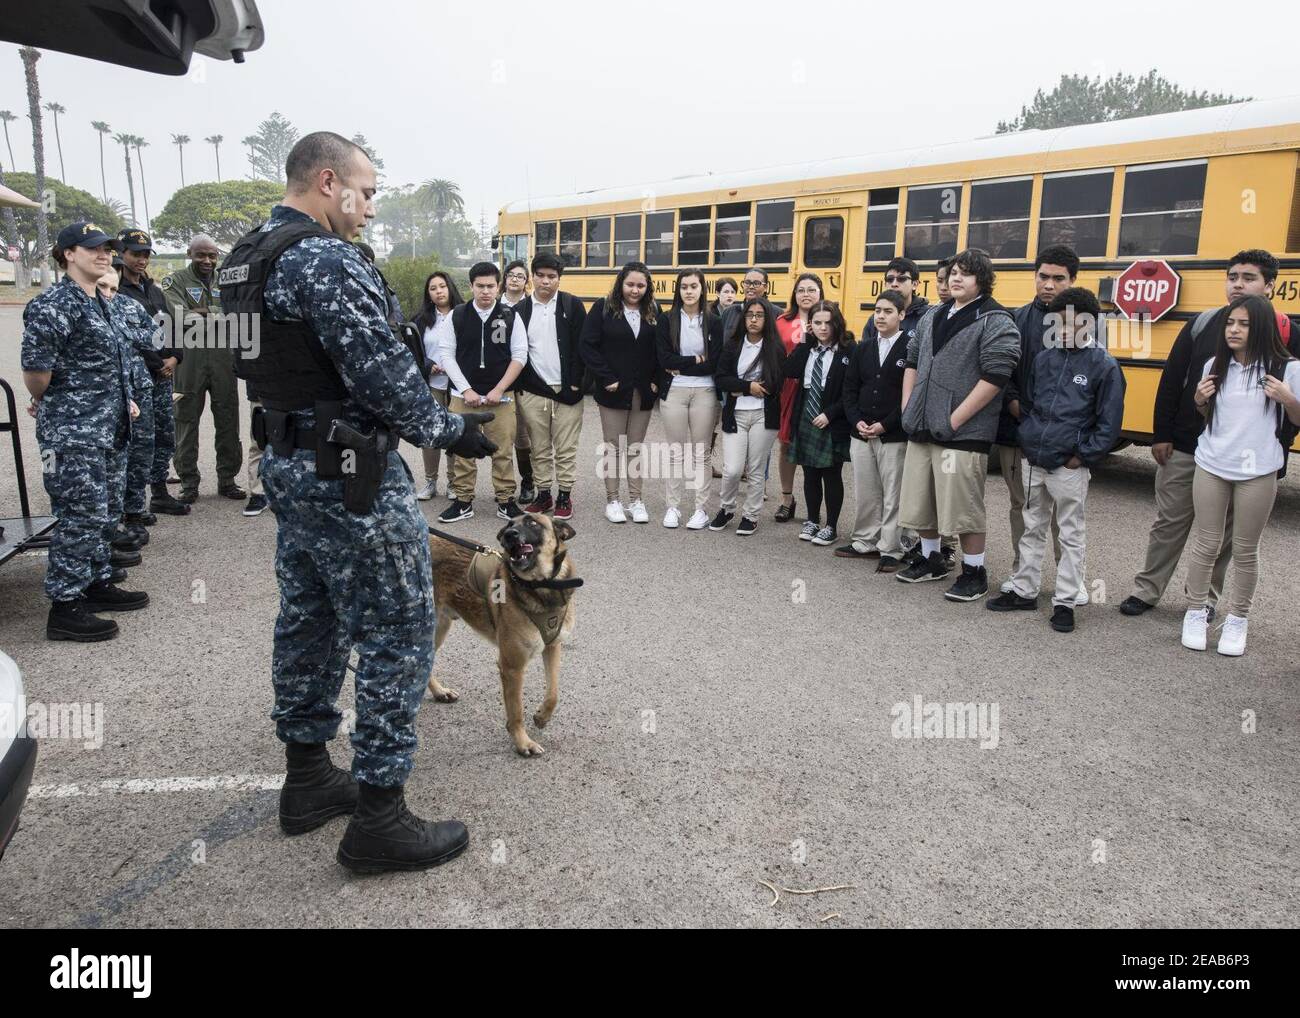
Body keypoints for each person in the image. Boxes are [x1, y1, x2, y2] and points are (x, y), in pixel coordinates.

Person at [219, 131, 496, 873]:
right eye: (368, 192)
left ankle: (308, 779)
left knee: (309, 616)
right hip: (347, 473)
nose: (371, 208)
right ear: (329, 180)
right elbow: (378, 372)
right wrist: (449, 431)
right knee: (399, 628)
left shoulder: (247, 256)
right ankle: (380, 817)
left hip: (287, 461)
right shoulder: (321, 258)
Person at [1121, 249, 1300, 617]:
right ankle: (1147, 590)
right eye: (1232, 276)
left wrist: (1279, 449)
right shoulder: (1203, 323)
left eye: (1248, 278)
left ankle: (1203, 601)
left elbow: (1291, 400)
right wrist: (1161, 434)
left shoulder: (1289, 334)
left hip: (1249, 458)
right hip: (1189, 445)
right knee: (1170, 521)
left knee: (1225, 536)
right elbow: (1172, 378)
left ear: (1270, 286)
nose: (1237, 284)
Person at [21, 222, 147, 642]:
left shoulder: (102, 303)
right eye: (92, 247)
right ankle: (65, 605)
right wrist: (49, 398)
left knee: (106, 511)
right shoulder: (53, 304)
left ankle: (94, 584)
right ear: (67, 254)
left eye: (107, 248)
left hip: (109, 428)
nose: (104, 254)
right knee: (80, 513)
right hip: (73, 432)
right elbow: (37, 374)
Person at [987, 287, 1125, 632]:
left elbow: (1109, 424)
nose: (1063, 329)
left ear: (1089, 323)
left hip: (1068, 465)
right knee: (1031, 526)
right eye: (1058, 322)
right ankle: (1024, 589)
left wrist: (1081, 457)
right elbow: (1032, 405)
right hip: (1034, 458)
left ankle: (1065, 602)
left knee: (1070, 533)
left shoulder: (1104, 366)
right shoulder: (1044, 359)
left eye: (1071, 323)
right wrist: (1028, 439)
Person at [896, 248, 1021, 601]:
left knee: (963, 508)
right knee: (922, 500)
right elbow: (912, 361)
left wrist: (954, 419)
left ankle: (974, 571)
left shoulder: (996, 319)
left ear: (982, 280)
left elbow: (996, 377)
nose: (955, 278)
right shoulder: (932, 315)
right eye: (953, 272)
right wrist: (908, 407)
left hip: (963, 434)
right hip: (921, 425)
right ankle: (931, 558)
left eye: (965, 273)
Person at [1179, 295, 1300, 656]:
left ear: (1260, 327)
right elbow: (1209, 417)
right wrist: (1200, 401)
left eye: (1243, 324)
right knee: (1206, 543)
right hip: (1212, 464)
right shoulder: (1214, 365)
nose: (1233, 329)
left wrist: (1288, 399)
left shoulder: (1287, 368)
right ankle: (1195, 612)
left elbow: (1297, 419)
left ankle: (1237, 620)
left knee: (1246, 550)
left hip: (1258, 470)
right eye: (1230, 322)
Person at [993, 245, 1079, 595]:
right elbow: (1003, 372)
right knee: (1023, 506)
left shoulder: (1086, 324)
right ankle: (1021, 572)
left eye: (1059, 278)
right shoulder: (1016, 320)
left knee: (1065, 512)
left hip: (1066, 436)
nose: (1049, 284)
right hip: (1019, 432)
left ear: (1073, 280)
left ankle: (1069, 579)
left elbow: (1094, 383)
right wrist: (1016, 407)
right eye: (1043, 276)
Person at [437, 261, 529, 523]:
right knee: (463, 451)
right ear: (471, 286)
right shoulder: (456, 315)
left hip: (501, 398)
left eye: (490, 286)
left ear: (498, 286)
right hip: (463, 398)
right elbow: (447, 354)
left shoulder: (511, 316)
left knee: (502, 450)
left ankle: (505, 500)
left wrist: (499, 388)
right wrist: (465, 389)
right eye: (480, 286)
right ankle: (464, 501)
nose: (486, 291)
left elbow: (519, 356)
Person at [166, 233, 245, 504]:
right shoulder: (176, 281)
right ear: (189, 253)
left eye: (212, 255)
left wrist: (201, 311)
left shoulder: (228, 280)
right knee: (186, 421)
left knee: (228, 420)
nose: (207, 260)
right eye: (201, 255)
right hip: (189, 360)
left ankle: (227, 479)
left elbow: (239, 314)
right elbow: (178, 316)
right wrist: (216, 314)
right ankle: (188, 482)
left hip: (224, 360)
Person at [580, 261, 660, 524]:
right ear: (620, 284)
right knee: (612, 447)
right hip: (613, 389)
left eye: (640, 285)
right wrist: (606, 377)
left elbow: (660, 350)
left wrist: (656, 381)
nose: (635, 290)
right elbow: (588, 346)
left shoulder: (654, 311)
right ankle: (612, 500)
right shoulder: (603, 309)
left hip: (642, 391)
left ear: (647, 287)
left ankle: (636, 500)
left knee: (635, 447)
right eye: (630, 284)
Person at [116, 228, 188, 517]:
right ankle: (131, 503)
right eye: (135, 253)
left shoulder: (153, 290)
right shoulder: (114, 290)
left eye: (146, 254)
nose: (141, 259)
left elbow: (170, 325)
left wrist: (175, 357)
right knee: (139, 441)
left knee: (164, 435)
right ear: (121, 254)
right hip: (138, 377)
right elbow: (129, 335)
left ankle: (159, 492)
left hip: (162, 376)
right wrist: (157, 363)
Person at [839, 290, 911, 571]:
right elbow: (850, 389)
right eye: (877, 310)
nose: (880, 316)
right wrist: (856, 420)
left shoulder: (909, 347)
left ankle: (891, 548)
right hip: (861, 432)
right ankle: (865, 540)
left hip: (893, 434)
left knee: (894, 493)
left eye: (888, 311)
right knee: (867, 490)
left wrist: (885, 424)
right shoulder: (863, 348)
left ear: (901, 315)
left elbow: (910, 396)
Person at [514, 252, 587, 520]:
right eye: (541, 276)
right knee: (539, 446)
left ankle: (565, 495)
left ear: (559, 279)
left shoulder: (572, 305)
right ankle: (543, 494)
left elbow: (584, 347)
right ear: (532, 278)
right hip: (533, 391)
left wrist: (579, 384)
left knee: (566, 447)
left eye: (552, 277)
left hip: (568, 389)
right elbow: (516, 353)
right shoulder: (519, 311)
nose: (546, 281)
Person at [711, 297, 787, 536]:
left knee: (755, 469)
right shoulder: (733, 345)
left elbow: (776, 383)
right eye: (749, 315)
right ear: (743, 319)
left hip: (765, 416)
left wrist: (740, 386)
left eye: (759, 315)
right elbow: (721, 378)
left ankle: (751, 515)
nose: (754, 319)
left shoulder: (775, 348)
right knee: (732, 469)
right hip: (736, 414)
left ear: (767, 319)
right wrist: (748, 387)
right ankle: (727, 508)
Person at [657, 269, 722, 530]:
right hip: (674, 391)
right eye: (684, 286)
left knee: (700, 453)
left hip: (705, 391)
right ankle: (672, 507)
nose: (689, 291)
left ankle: (700, 509)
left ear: (702, 289)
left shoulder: (713, 321)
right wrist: (696, 359)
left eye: (694, 286)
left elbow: (715, 362)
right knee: (675, 452)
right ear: (678, 290)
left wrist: (682, 365)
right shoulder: (667, 319)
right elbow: (664, 359)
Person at [784, 300, 851, 546]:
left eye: (828, 323)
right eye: (817, 323)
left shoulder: (848, 350)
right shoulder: (808, 348)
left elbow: (850, 390)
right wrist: (804, 342)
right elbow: (789, 371)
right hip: (806, 416)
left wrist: (831, 414)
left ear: (837, 323)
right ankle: (812, 520)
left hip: (831, 418)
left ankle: (831, 525)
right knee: (810, 472)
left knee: (832, 474)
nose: (823, 328)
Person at [103, 265, 161, 546]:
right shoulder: (79, 310)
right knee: (110, 464)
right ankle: (109, 526)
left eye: (113, 288)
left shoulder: (128, 307)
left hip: (137, 387)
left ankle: (134, 513)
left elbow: (156, 336)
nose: (108, 294)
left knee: (140, 453)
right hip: (102, 400)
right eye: (103, 287)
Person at [772, 273, 823, 522]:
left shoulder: (829, 320)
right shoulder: (782, 321)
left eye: (811, 290)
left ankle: (816, 509)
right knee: (785, 444)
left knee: (814, 445)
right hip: (788, 389)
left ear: (820, 293)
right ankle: (786, 499)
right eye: (801, 290)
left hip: (817, 390)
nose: (806, 294)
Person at [411, 271, 462, 501]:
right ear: (428, 294)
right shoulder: (420, 320)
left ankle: (454, 482)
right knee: (430, 434)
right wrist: (428, 364)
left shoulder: (464, 315)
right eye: (433, 288)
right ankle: (431, 481)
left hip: (456, 386)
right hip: (430, 385)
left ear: (450, 288)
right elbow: (412, 351)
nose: (439, 291)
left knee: (455, 434)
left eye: (442, 286)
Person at [501, 258, 536, 504]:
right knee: (501, 436)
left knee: (523, 436)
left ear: (526, 282)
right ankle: (502, 485)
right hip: (496, 379)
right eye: (511, 275)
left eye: (520, 276)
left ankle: (528, 480)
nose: (515, 279)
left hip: (525, 380)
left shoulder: (532, 307)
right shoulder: (492, 304)